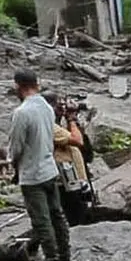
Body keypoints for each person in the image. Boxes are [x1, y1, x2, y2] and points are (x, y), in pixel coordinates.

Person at [7, 68, 69, 261]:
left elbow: (16, 147)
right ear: (37, 84)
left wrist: (12, 166)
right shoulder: (47, 107)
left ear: (19, 86)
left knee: (42, 222)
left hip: (32, 175)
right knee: (57, 216)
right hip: (50, 169)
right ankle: (65, 258)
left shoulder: (22, 113)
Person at [52, 96, 94, 226]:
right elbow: (77, 140)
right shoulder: (49, 126)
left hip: (75, 179)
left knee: (81, 212)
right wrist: (71, 119)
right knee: (74, 216)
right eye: (58, 106)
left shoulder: (62, 126)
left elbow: (86, 152)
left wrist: (74, 121)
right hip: (63, 181)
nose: (62, 109)